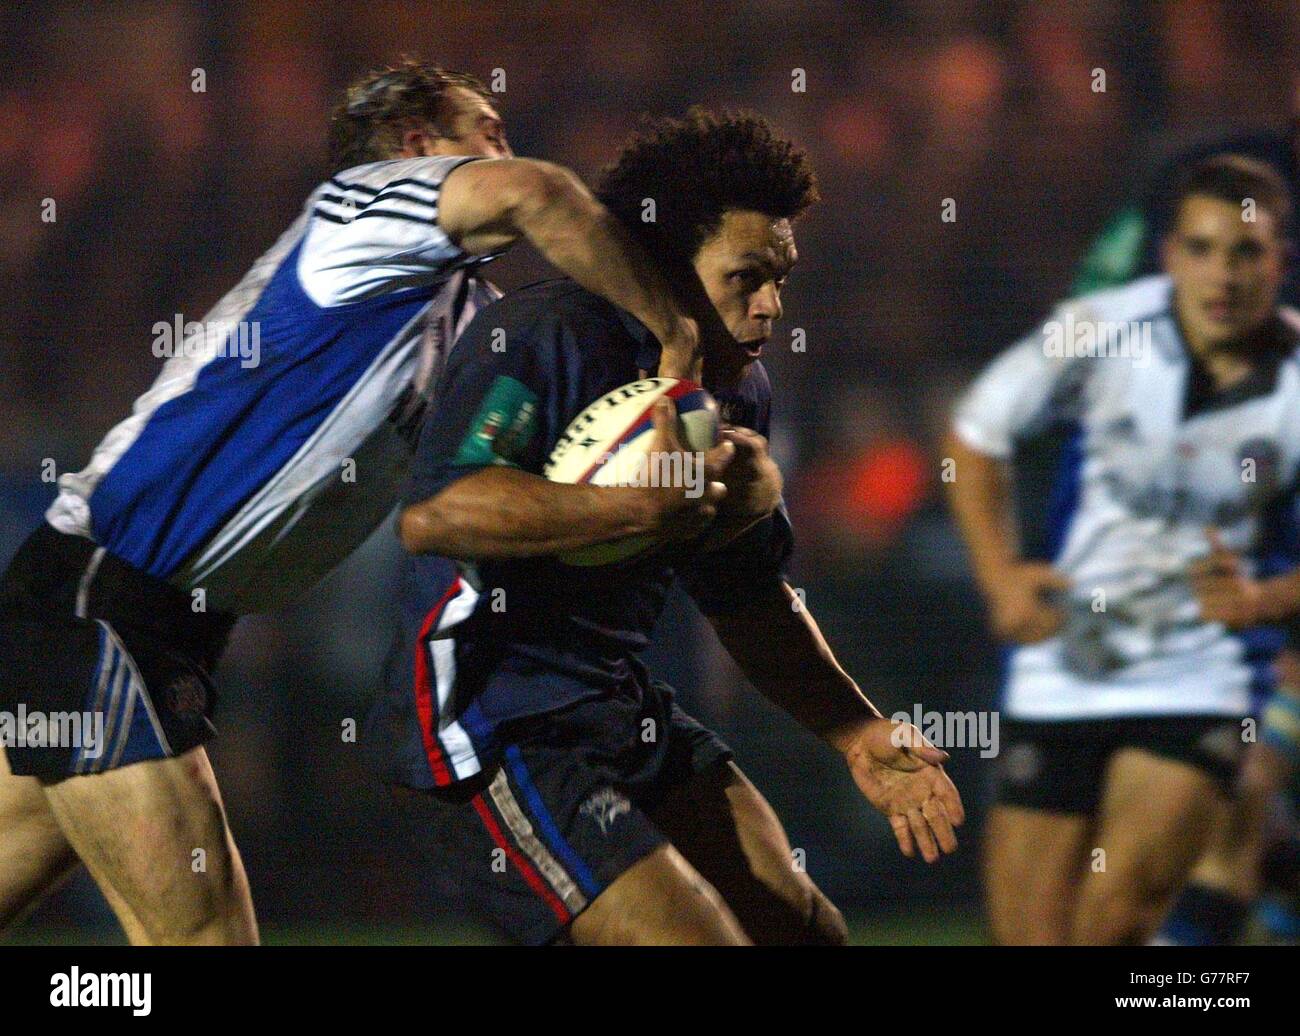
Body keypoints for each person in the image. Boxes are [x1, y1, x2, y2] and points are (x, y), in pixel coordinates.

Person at [0, 58, 719, 944]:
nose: (505, 147)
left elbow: (513, 473)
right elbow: (541, 195)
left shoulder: (464, 314)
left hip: (161, 628)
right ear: (418, 149)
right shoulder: (362, 207)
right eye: (482, 129)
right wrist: (673, 336)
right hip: (99, 606)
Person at [368, 108, 964, 946]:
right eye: (746, 277)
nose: (771, 307)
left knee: (805, 932)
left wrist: (855, 730)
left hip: (618, 706)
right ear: (667, 271)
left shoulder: (735, 391)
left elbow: (750, 599)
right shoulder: (547, 337)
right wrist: (640, 507)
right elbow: (438, 516)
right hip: (488, 726)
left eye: (781, 279)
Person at [946, 155, 1300, 944]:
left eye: (1247, 252)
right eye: (1203, 249)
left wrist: (1264, 600)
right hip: (1064, 658)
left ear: (1281, 262)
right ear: (1170, 255)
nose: (1225, 274)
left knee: (1114, 923)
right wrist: (1000, 578)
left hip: (1200, 669)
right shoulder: (1099, 329)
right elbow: (977, 433)